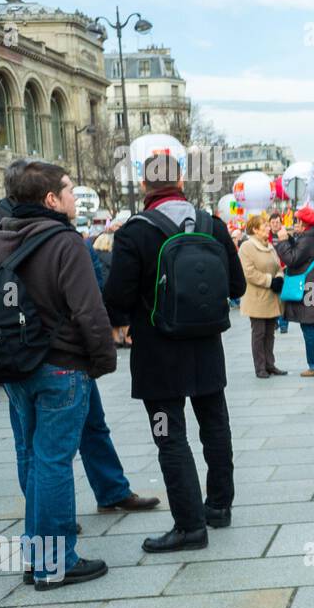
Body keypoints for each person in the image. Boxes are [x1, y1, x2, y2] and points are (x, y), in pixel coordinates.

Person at [0, 162, 116, 589]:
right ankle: (56, 562)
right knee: (53, 461)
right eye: (68, 190)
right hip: (61, 366)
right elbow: (90, 310)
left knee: (32, 456)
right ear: (50, 199)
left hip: (9, 365)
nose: (72, 197)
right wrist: (102, 361)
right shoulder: (65, 241)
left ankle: (37, 557)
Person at [103, 154, 246, 552]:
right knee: (215, 427)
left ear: (144, 185)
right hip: (207, 350)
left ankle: (189, 526)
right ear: (181, 180)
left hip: (157, 354)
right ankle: (218, 506)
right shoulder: (211, 225)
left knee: (169, 436)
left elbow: (116, 297)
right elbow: (237, 287)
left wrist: (126, 320)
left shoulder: (135, 232)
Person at [276, 206, 314, 377]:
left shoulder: (308, 239)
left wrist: (283, 242)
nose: (295, 224)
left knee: (309, 325)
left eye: (297, 220)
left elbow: (291, 259)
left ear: (304, 222)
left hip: (310, 288)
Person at [238, 212, 287, 378]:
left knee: (270, 332)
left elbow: (278, 266)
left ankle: (270, 364)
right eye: (265, 225)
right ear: (255, 229)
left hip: (272, 297)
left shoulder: (269, 245)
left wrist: (279, 278)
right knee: (259, 333)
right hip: (257, 298)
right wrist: (269, 281)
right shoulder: (247, 247)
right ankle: (260, 367)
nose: (268, 227)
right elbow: (248, 272)